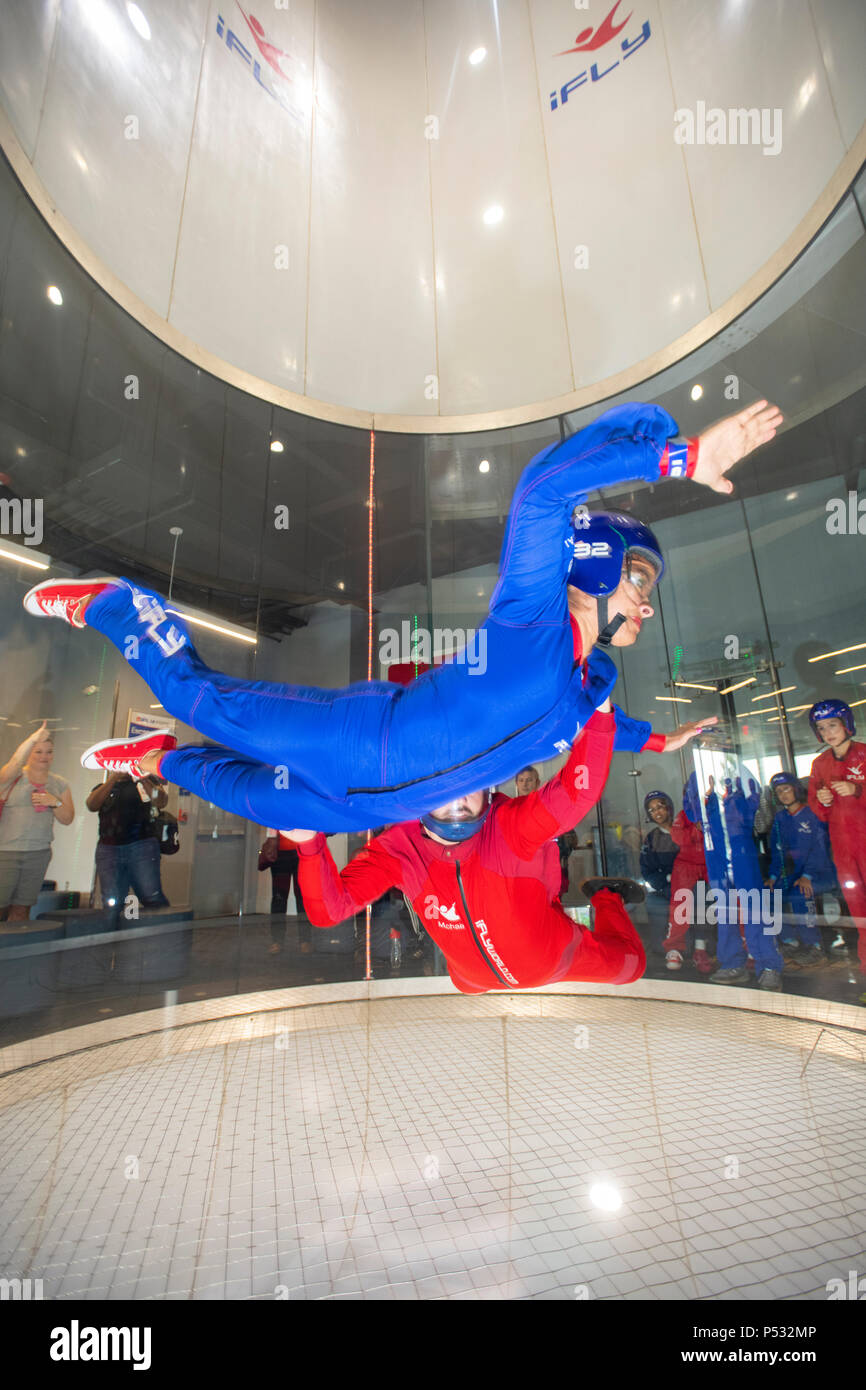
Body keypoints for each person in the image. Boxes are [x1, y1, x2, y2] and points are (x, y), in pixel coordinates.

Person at [23, 400, 779, 832]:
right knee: (202, 703)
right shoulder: (530, 618)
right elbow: (543, 486)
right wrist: (678, 458)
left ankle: (155, 759)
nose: (646, 603)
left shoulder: (590, 681)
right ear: (596, 564)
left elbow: (598, 728)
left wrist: (662, 736)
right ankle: (115, 604)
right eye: (637, 582)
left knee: (231, 788)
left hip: (366, 809)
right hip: (360, 741)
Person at [285, 704, 646, 994]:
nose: (457, 795)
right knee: (467, 982)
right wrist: (309, 845)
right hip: (469, 976)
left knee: (632, 966)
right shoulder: (399, 848)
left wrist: (599, 708)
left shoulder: (507, 825)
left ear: (488, 786)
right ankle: (475, 975)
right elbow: (328, 910)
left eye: (469, 780)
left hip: (555, 960)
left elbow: (576, 793)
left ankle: (607, 897)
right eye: (442, 783)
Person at [807, 700, 866, 983]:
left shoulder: (865, 755)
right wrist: (822, 801)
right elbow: (817, 812)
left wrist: (859, 790)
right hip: (842, 850)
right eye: (821, 727)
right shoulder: (819, 764)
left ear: (846, 723)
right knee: (859, 913)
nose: (828, 732)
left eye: (832, 724)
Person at [0, 722, 74, 922]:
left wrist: (55, 802)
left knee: (22, 909)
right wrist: (33, 738)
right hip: (5, 852)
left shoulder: (59, 783)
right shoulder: (12, 776)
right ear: (28, 753)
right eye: (38, 751)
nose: (44, 756)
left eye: (49, 752)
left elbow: (67, 818)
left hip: (38, 854)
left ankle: (15, 949)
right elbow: (15, 762)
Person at [765, 771, 835, 966]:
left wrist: (807, 875)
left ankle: (815, 947)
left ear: (796, 789)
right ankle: (790, 942)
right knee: (771, 893)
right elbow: (778, 851)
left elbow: (820, 848)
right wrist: (772, 875)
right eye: (778, 792)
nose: (783, 794)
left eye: (786, 789)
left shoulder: (812, 813)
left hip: (821, 872)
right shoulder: (780, 818)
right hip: (793, 873)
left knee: (799, 893)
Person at [86, 771, 169, 930]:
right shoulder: (105, 786)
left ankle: (163, 938)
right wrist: (113, 779)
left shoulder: (145, 781)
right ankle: (111, 944)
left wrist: (140, 776)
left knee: (151, 895)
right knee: (111, 902)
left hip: (141, 845)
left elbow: (161, 801)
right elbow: (91, 805)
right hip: (108, 848)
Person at [258, 829, 311, 954]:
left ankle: (305, 940)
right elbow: (272, 821)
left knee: (302, 897)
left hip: (302, 851)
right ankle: (278, 941)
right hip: (281, 852)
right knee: (279, 897)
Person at [639, 791, 678, 954]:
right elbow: (647, 871)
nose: (657, 812)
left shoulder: (684, 831)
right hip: (664, 888)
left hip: (689, 887)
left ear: (669, 807)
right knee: (654, 902)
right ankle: (662, 950)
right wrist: (667, 878)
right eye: (652, 810)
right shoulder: (651, 839)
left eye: (660, 807)